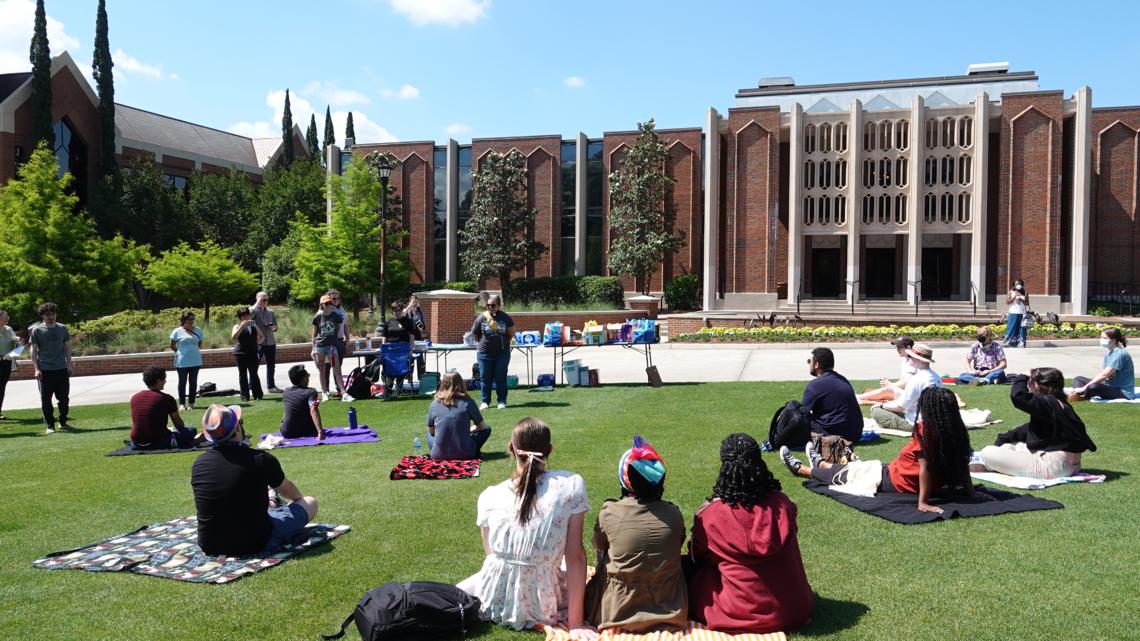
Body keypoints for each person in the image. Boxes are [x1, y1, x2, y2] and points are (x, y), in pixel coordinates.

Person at [457, 418, 594, 639]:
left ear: (511, 449)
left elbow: (491, 555)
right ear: (549, 450)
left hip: (495, 597)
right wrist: (576, 623)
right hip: (543, 602)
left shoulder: (489, 495)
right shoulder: (571, 484)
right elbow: (575, 555)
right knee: (569, 561)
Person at [688, 433, 812, 634]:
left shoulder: (711, 515)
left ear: (725, 467)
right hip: (795, 610)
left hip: (738, 613)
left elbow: (696, 557)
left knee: (691, 574)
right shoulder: (783, 504)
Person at [781, 387, 976, 514]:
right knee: (863, 467)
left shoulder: (926, 431)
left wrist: (922, 503)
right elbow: (962, 462)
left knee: (855, 475)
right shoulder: (955, 430)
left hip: (902, 481)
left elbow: (926, 469)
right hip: (902, 473)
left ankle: (803, 470)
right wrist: (971, 493)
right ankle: (822, 463)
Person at [584, 435, 687, 633]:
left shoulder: (610, 512)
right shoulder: (673, 514)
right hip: (670, 608)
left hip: (614, 610)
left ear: (627, 480)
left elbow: (598, 546)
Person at [191, 404, 319, 556]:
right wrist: (298, 500)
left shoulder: (199, 464)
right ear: (237, 428)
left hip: (210, 544)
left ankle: (272, 503)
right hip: (255, 542)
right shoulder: (260, 459)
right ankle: (272, 503)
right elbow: (291, 493)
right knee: (310, 502)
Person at [979, 368, 1096, 479]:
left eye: (1031, 381)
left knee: (987, 453)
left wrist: (1022, 376)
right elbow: (1028, 429)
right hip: (1070, 466)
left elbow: (1018, 396)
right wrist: (1003, 438)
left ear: (1039, 385)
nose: (1028, 384)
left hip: (1054, 467)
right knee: (1009, 446)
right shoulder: (1057, 403)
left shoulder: (1048, 402)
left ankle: (994, 465)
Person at [869, 342, 941, 433]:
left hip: (916, 423)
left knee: (876, 410)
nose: (908, 358)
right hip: (933, 420)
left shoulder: (916, 379)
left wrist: (882, 405)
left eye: (910, 356)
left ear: (915, 359)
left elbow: (900, 407)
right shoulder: (936, 377)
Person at [129, 365, 201, 450]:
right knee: (192, 430)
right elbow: (179, 425)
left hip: (136, 443)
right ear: (158, 380)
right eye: (164, 379)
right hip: (159, 441)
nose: (165, 381)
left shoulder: (134, 397)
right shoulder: (166, 398)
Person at [801, 347, 863, 443]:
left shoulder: (815, 385)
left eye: (809, 361)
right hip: (855, 434)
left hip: (833, 434)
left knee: (797, 414)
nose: (808, 364)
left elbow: (802, 413)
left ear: (816, 364)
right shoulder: (843, 379)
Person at [425, 372, 491, 460]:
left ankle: (440, 450)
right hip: (466, 454)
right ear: (461, 383)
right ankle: (473, 451)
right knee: (487, 429)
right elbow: (482, 426)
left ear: (442, 384)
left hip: (439, 455)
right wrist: (467, 431)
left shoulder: (434, 404)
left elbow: (431, 431)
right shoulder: (468, 402)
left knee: (428, 435)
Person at [30, 302, 73, 433]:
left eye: (53, 314)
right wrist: (36, 369)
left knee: (64, 398)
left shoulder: (62, 328)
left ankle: (63, 422)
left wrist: (69, 364)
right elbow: (33, 350)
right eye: (47, 314)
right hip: (45, 370)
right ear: (42, 316)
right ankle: (50, 426)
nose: (51, 317)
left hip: (61, 369)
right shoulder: (37, 330)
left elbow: (67, 347)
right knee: (46, 400)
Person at [471, 294, 515, 410]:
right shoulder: (482, 317)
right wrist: (482, 344)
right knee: (485, 378)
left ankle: (502, 401)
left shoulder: (505, 318)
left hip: (502, 353)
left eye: (493, 305)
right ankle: (485, 401)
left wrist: (503, 343)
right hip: (484, 353)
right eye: (488, 305)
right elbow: (475, 333)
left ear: (499, 305)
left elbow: (511, 334)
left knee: (501, 377)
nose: (490, 307)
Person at [1070, 327, 1135, 401]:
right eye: (1101, 337)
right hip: (1109, 386)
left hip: (1123, 392)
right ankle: (1079, 394)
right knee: (1078, 379)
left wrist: (1083, 388)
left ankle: (1082, 395)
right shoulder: (1109, 354)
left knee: (1093, 387)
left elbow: (1104, 375)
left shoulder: (1120, 354)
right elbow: (1105, 377)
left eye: (1104, 338)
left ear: (1113, 340)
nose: (1101, 340)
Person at [856, 336, 916, 405]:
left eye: (900, 347)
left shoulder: (912, 361)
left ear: (908, 347)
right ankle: (860, 397)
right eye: (897, 347)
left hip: (912, 396)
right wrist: (890, 384)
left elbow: (907, 382)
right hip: (908, 393)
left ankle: (859, 397)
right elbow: (903, 380)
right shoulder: (905, 360)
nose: (897, 349)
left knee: (887, 390)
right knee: (885, 390)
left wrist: (891, 385)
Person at [312, 294, 346, 402]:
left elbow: (339, 330)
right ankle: (324, 392)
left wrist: (339, 339)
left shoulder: (336, 316)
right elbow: (314, 334)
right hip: (320, 346)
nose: (329, 305)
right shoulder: (318, 317)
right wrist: (313, 349)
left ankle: (344, 392)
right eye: (326, 303)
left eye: (330, 303)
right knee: (321, 370)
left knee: (337, 369)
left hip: (331, 346)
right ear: (322, 304)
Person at [379, 301, 415, 399]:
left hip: (403, 353)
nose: (396, 312)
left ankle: (398, 389)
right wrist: (383, 350)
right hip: (390, 353)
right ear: (392, 311)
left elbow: (411, 337)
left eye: (398, 309)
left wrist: (411, 349)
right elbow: (384, 337)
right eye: (394, 309)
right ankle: (388, 391)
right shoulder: (388, 322)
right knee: (389, 369)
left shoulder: (408, 321)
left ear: (402, 310)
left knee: (401, 368)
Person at [169, 311, 203, 411]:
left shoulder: (198, 330)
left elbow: (199, 343)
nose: (192, 321)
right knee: (182, 382)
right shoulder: (177, 331)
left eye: (193, 319)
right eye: (189, 319)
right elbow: (171, 345)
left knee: (193, 382)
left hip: (195, 361)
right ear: (184, 320)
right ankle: (182, 404)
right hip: (182, 361)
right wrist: (180, 352)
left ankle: (191, 403)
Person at [280, 365, 325, 440]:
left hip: (286, 432)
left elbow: (288, 411)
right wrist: (320, 432)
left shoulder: (286, 392)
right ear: (304, 378)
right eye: (308, 376)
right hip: (306, 431)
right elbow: (313, 410)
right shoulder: (311, 392)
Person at [230, 306, 265, 402]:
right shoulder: (237, 326)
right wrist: (242, 326)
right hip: (240, 353)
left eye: (247, 315)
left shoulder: (254, 324)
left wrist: (257, 343)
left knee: (254, 373)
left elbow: (262, 336)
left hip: (253, 352)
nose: (246, 317)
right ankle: (245, 396)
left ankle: (258, 394)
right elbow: (233, 337)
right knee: (243, 374)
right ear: (240, 317)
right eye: (243, 316)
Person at [250, 292, 281, 393]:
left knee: (271, 365)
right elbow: (247, 318)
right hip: (259, 343)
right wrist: (256, 304)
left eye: (266, 300)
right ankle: (251, 387)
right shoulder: (253, 310)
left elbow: (276, 326)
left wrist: (273, 327)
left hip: (270, 342)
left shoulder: (270, 312)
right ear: (257, 299)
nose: (265, 302)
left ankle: (271, 387)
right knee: (254, 366)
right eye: (262, 300)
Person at [327, 289, 348, 397]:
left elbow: (345, 325)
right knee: (328, 366)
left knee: (338, 366)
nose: (336, 300)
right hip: (330, 341)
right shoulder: (327, 310)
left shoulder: (341, 310)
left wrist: (347, 338)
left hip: (340, 341)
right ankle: (325, 390)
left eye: (338, 298)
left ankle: (339, 388)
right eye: (333, 298)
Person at [0, 309, 18, 420]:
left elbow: (17, 347)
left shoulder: (9, 329)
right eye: (6, 316)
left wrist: (16, 342)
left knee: (1, 387)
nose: (8, 318)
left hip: (6, 362)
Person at [404, 294, 427, 381]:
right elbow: (402, 314)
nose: (414, 304)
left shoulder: (419, 312)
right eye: (413, 302)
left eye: (416, 302)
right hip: (407, 337)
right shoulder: (407, 311)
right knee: (410, 358)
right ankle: (409, 378)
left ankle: (421, 378)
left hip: (417, 336)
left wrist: (418, 319)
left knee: (420, 357)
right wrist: (409, 306)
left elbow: (422, 328)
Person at [1005, 279, 1029, 348]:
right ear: (1014, 285)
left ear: (1022, 285)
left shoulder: (1025, 292)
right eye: (1016, 284)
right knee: (1012, 328)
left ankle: (1021, 343)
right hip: (1013, 313)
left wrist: (1021, 299)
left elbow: (1027, 303)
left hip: (1022, 313)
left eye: (1019, 284)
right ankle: (1009, 343)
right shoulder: (1010, 292)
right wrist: (1014, 297)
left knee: (1022, 329)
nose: (1018, 285)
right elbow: (1007, 302)